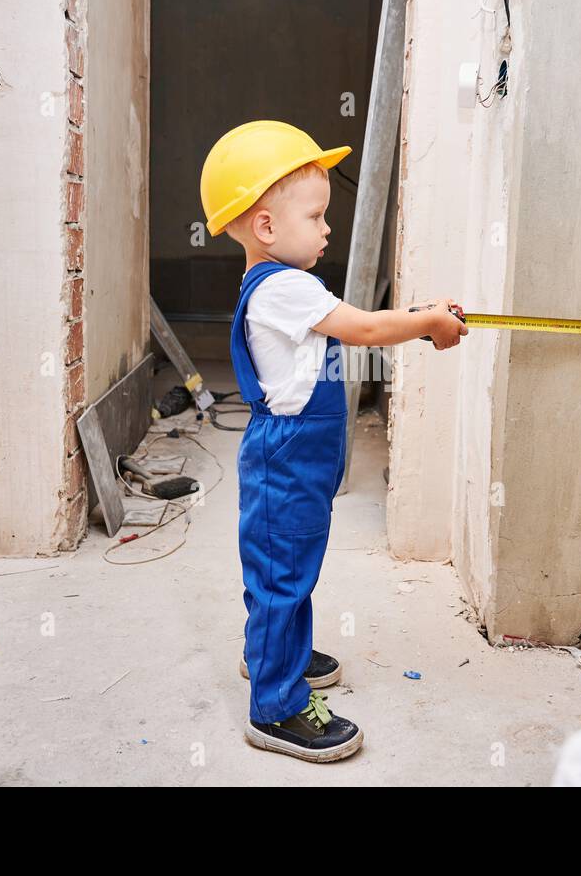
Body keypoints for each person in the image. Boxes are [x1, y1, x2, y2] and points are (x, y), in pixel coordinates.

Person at [200, 120, 467, 761]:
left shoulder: (278, 285)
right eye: (316, 216)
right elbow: (368, 329)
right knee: (283, 574)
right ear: (266, 227)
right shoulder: (286, 288)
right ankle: (277, 706)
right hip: (286, 459)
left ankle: (275, 650)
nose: (326, 229)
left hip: (297, 458)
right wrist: (426, 322)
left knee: (288, 566)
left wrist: (421, 313)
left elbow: (363, 324)